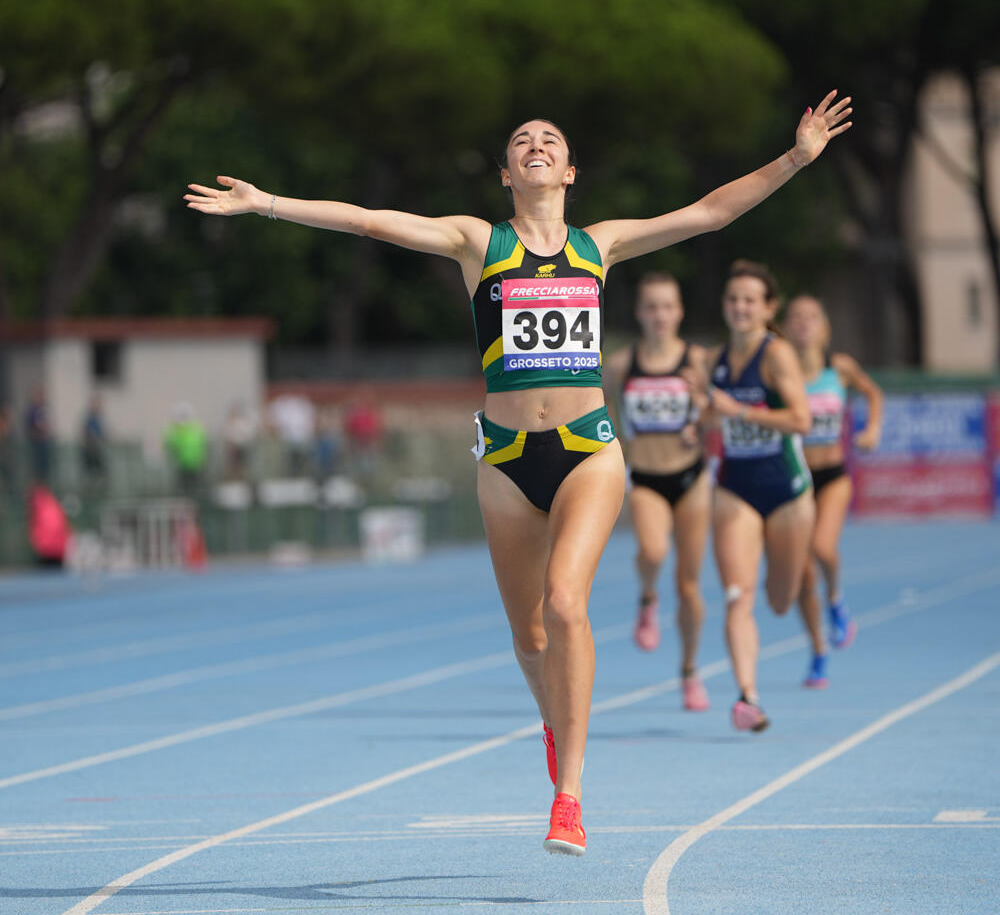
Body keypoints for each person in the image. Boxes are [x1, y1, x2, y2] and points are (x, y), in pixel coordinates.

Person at [185, 89, 851, 854]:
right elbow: (370, 221)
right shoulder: (479, 243)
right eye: (522, 140)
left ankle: (568, 796)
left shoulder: (599, 245)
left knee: (568, 605)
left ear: (570, 171)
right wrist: (266, 201)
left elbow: (709, 212)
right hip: (504, 460)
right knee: (531, 635)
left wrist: (796, 160)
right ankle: (551, 719)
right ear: (506, 173)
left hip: (588, 451)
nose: (536, 144)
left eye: (550, 140)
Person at [690, 260, 815, 734]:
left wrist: (738, 409)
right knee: (737, 597)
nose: (740, 308)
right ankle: (747, 697)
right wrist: (698, 416)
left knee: (781, 599)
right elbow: (709, 419)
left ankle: (785, 587)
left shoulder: (777, 354)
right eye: (733, 299)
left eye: (749, 300)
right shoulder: (713, 359)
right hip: (736, 486)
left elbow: (801, 421)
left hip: (786, 489)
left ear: (768, 307)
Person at [604, 271, 711, 712]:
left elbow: (720, 411)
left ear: (680, 311)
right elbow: (600, 414)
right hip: (646, 475)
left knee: (689, 586)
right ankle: (648, 597)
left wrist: (700, 413)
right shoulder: (619, 365)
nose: (660, 315)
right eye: (651, 307)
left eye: (667, 306)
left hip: (692, 477)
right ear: (639, 313)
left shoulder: (698, 361)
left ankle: (689, 672)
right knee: (651, 552)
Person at [782, 294, 883, 687]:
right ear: (787, 327)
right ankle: (818, 651)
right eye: (796, 316)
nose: (804, 322)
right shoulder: (780, 370)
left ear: (824, 327)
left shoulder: (839, 368)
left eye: (812, 316)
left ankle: (837, 598)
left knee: (823, 548)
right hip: (795, 479)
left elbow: (873, 393)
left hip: (834, 475)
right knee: (803, 577)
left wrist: (871, 429)